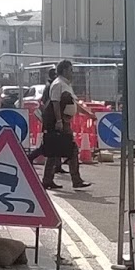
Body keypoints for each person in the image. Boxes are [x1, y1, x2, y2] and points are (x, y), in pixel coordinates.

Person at [42, 60, 93, 190]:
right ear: (64, 71)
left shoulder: (66, 85)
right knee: (71, 149)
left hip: (65, 121)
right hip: (59, 123)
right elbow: (55, 103)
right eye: (70, 70)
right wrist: (59, 121)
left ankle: (48, 180)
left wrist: (88, 114)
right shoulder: (58, 84)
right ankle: (76, 180)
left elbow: (74, 104)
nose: (72, 73)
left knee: (54, 151)